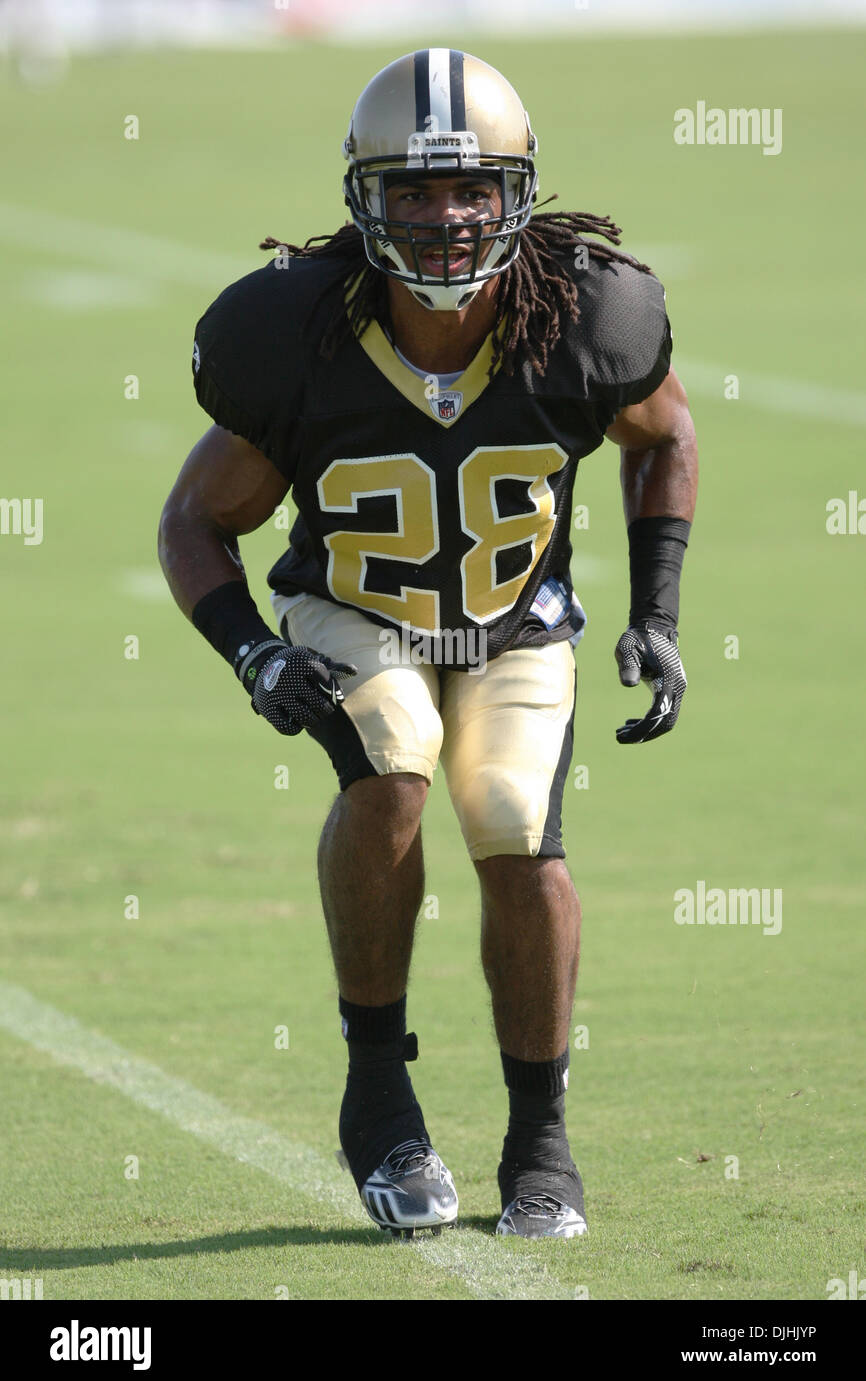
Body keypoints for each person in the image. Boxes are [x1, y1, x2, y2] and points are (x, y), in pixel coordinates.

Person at [158, 48, 697, 1240]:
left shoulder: (588, 317)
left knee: (512, 823)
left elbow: (662, 436)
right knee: (393, 760)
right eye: (412, 190)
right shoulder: (293, 331)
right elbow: (195, 518)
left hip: (513, 622)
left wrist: (656, 614)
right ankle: (378, 1092)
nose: (444, 218)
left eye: (469, 190)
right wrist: (250, 649)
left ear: (519, 192)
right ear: (364, 198)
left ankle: (538, 1139)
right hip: (354, 609)